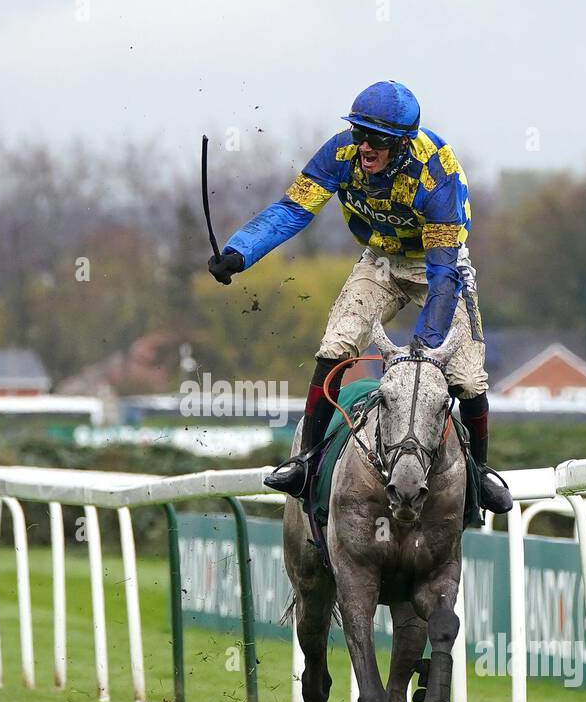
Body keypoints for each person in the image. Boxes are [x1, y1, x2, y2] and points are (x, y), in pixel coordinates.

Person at [207, 81, 511, 513]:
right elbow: (294, 208)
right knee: (336, 343)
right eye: (359, 134)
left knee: (466, 376)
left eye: (377, 140)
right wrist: (240, 252)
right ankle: (306, 463)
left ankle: (479, 479)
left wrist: (424, 346)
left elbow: (443, 274)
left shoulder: (438, 174)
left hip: (437, 265)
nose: (365, 147)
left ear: (402, 144)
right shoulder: (340, 153)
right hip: (381, 260)